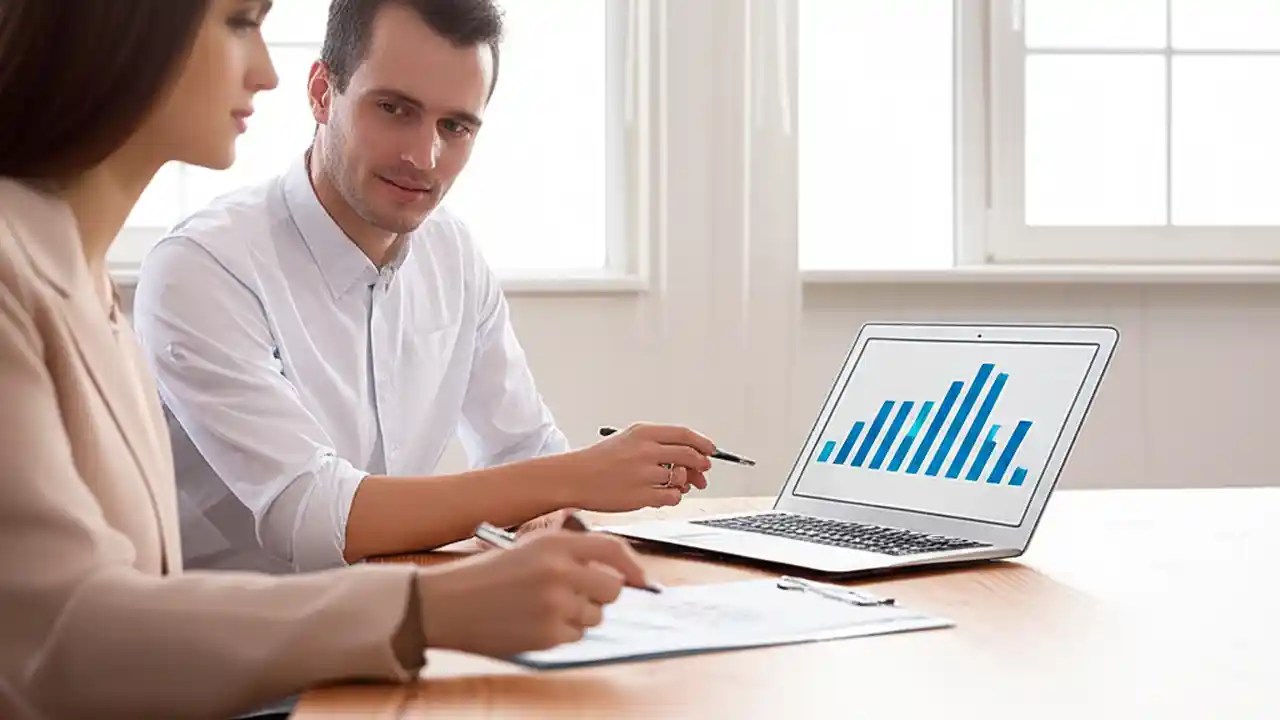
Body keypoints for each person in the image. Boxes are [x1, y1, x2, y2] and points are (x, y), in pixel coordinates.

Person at [0, 2, 654, 718]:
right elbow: (70, 632)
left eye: (456, 127)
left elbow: (526, 452)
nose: (266, 70)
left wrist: (542, 523)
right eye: (239, 23)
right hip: (252, 695)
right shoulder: (187, 265)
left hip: (346, 675)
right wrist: (435, 602)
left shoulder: (81, 277)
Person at [132, 0, 719, 574]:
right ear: (321, 92)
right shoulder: (203, 266)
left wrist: (548, 512)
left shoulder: (452, 254)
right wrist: (576, 476)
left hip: (407, 612)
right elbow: (310, 516)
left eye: (455, 126)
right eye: (393, 109)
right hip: (239, 630)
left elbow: (524, 450)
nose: (423, 157)